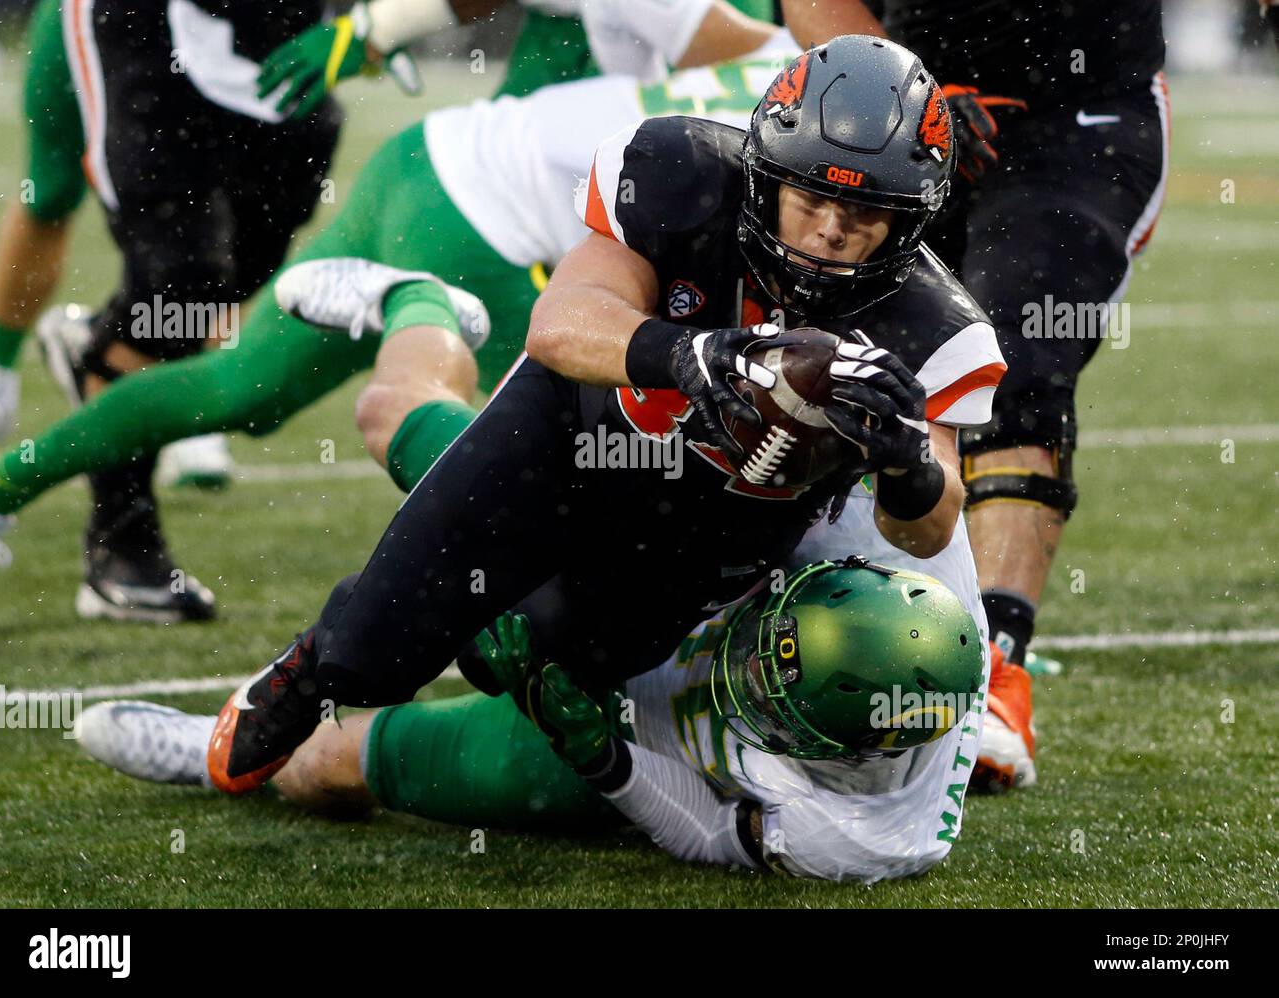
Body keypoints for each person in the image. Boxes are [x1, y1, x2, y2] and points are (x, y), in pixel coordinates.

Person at [203, 35, 1003, 797]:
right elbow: (561, 323)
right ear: (765, 174)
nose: (831, 229)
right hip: (570, 433)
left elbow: (930, 530)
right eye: (811, 195)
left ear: (910, 219)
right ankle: (316, 661)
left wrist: (907, 465)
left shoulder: (933, 325)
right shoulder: (682, 176)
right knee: (373, 656)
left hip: (714, 529)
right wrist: (691, 355)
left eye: (865, 215)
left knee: (529, 657)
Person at [0, 8, 790, 653]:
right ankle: (413, 310)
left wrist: (378, 27)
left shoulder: (778, 71)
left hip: (428, 156)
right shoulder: (807, 170)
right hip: (479, 222)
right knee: (548, 468)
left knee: (239, 391)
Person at [78, 539, 990, 883]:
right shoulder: (908, 561)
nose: (733, 665)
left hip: (640, 741)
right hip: (684, 581)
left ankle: (216, 744)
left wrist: (603, 759)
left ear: (835, 748)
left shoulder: (863, 835)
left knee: (332, 769)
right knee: (452, 465)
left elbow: (713, 836)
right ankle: (411, 310)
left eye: (761, 686)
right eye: (763, 642)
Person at [783, 0, 1170, 789]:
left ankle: (996, 668)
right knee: (826, 346)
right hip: (902, 115)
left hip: (1078, 115)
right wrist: (903, 95)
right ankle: (809, 625)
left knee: (1014, 356)